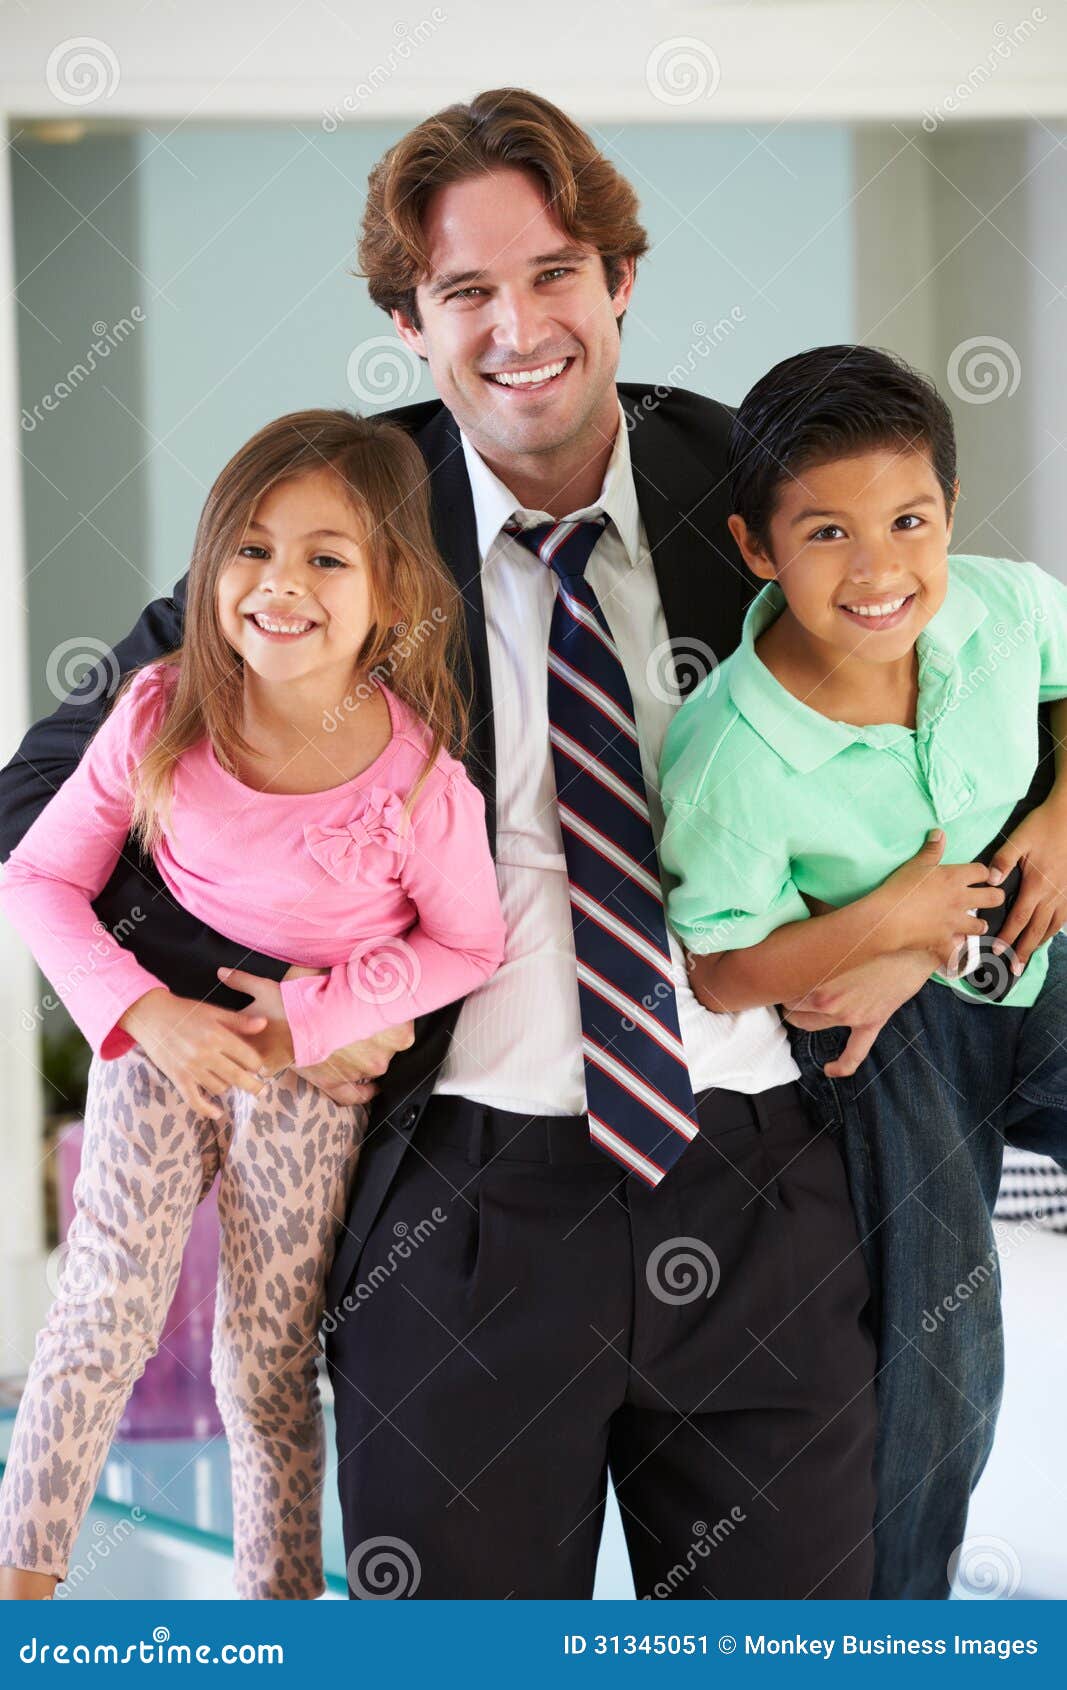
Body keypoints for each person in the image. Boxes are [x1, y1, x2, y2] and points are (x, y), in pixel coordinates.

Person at [0, 89, 956, 1601]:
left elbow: (991, 691)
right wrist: (297, 978)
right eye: (464, 292)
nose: (519, 326)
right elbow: (57, 783)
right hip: (459, 1211)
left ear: (619, 279)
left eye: (554, 274)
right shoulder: (340, 511)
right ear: (407, 319)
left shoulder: (755, 485)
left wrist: (938, 917)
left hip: (765, 1186)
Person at [0, 408, 507, 1600]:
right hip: (160, 1056)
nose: (281, 584)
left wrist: (319, 1017)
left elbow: (469, 941)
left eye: (326, 557)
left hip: (309, 1089)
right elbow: (36, 873)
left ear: (389, 590)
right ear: (211, 561)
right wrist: (145, 1015)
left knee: (265, 1365)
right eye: (251, 548)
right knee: (97, 1320)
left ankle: (275, 1620)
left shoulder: (423, 780)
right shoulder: (156, 714)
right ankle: (23, 1600)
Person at [658, 341, 1067, 1599]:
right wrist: (892, 924)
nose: (880, 568)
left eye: (909, 521)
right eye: (827, 533)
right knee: (937, 1357)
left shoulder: (998, 602)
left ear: (949, 513)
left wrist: (1056, 820)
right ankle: (896, 1632)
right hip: (887, 1039)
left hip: (1030, 942)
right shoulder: (727, 749)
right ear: (758, 548)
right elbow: (726, 971)